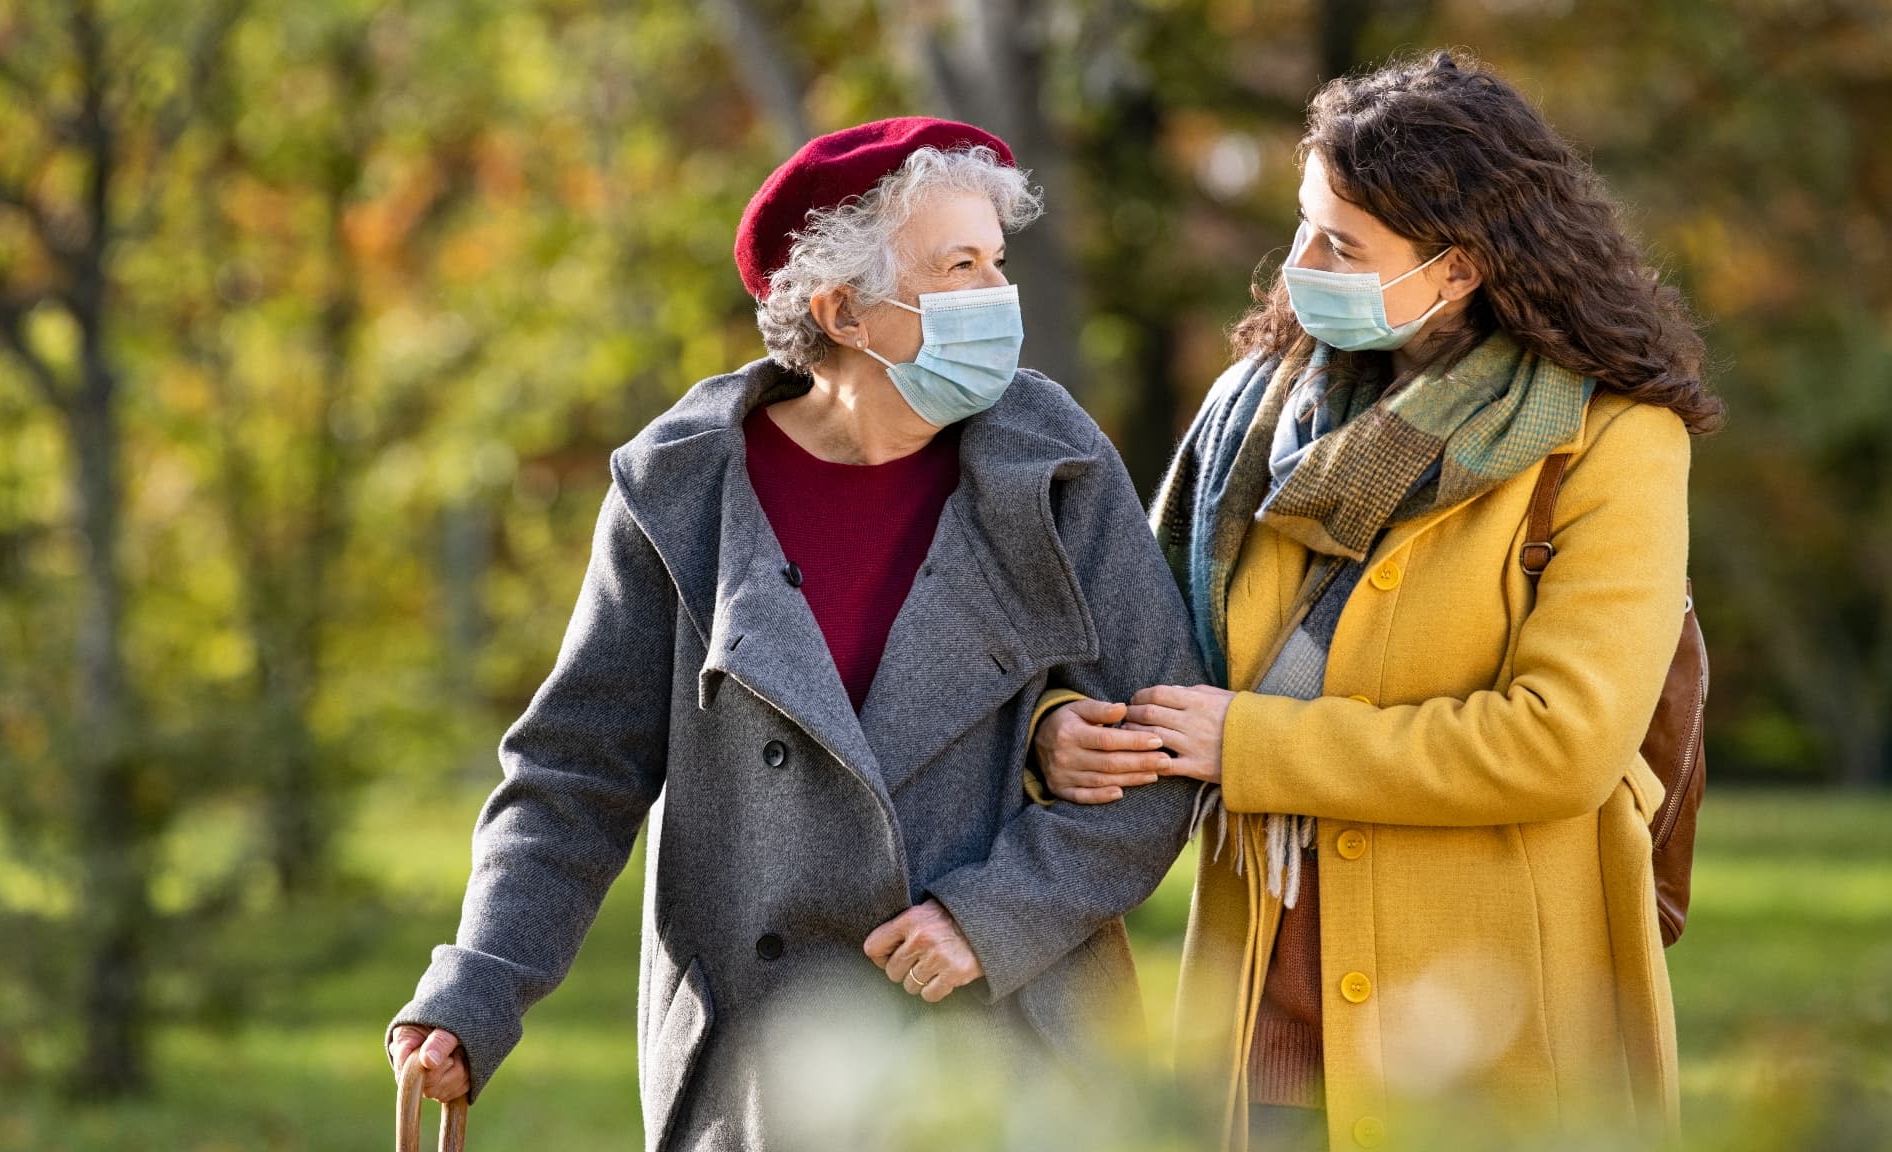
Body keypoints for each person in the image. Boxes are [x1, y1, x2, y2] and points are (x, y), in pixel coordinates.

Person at [385, 117, 1204, 1151]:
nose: (998, 296)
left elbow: (1165, 740)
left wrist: (994, 915)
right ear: (842, 311)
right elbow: (575, 776)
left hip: (1020, 1051)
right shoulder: (678, 490)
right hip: (764, 1066)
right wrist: (476, 986)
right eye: (959, 268)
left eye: (995, 262)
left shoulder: (1054, 461)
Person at [1032, 51, 1723, 1151]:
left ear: (1457, 270)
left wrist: (1254, 747)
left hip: (1488, 1028)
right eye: (1304, 227)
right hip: (1262, 1015)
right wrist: (1062, 728)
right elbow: (1130, 649)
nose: (1298, 266)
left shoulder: (1612, 444)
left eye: (1341, 246)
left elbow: (1563, 743)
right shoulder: (1255, 423)